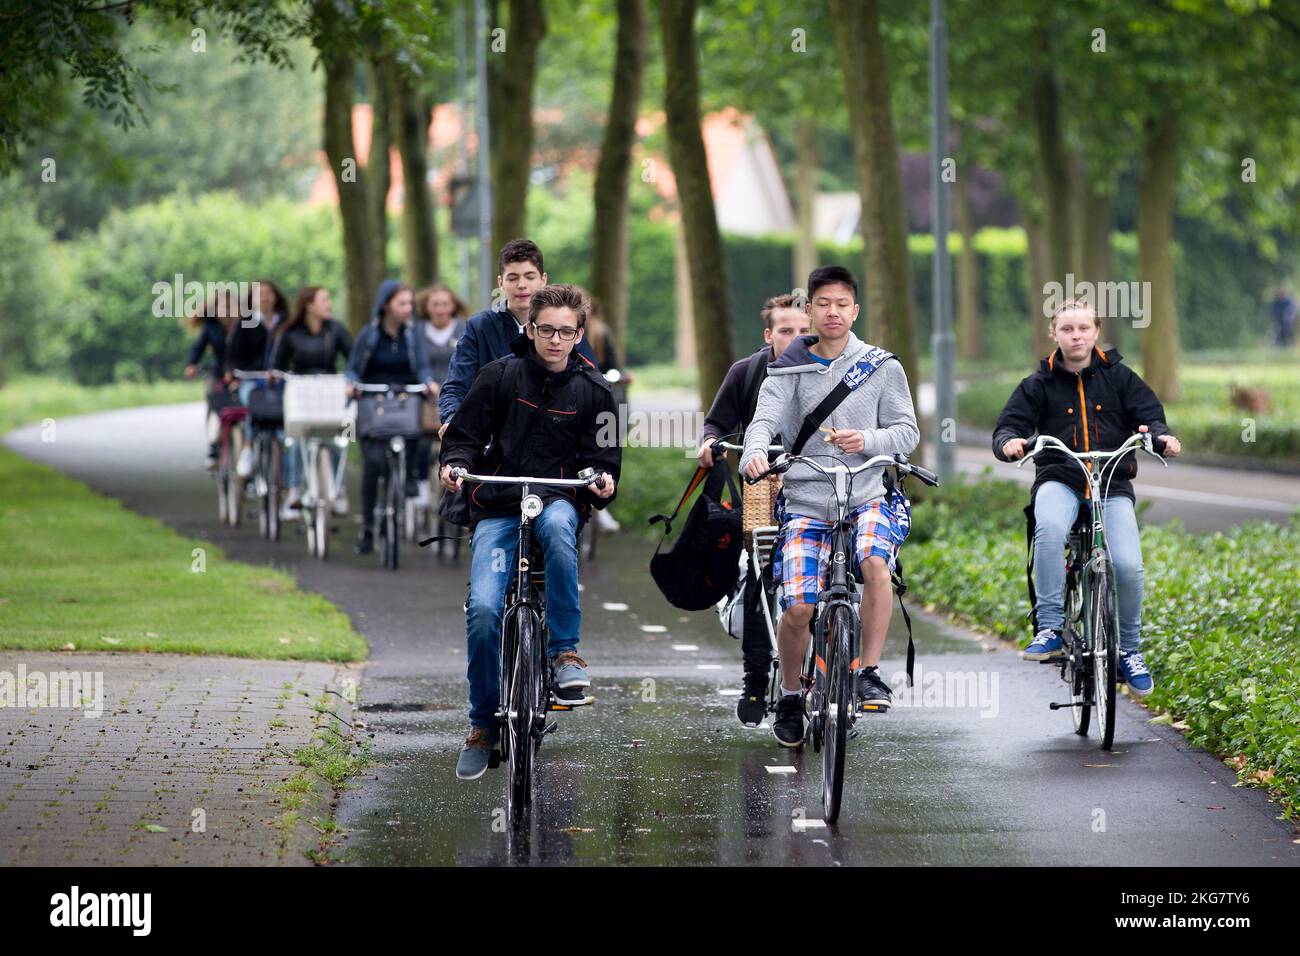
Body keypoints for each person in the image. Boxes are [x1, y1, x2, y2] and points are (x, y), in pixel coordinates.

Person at [439, 284, 620, 781]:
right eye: (546, 330)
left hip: (558, 499)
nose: (555, 340)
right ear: (530, 329)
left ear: (579, 334)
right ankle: (481, 725)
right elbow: (464, 439)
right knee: (482, 609)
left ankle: (565, 652)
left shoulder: (597, 390)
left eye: (566, 332)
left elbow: (605, 461)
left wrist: (603, 481)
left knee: (561, 532)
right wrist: (455, 465)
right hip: (497, 505)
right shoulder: (497, 378)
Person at [741, 266, 920, 748]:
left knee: (874, 562)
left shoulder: (883, 367)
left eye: (842, 304)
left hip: (866, 495)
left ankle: (870, 672)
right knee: (798, 606)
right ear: (810, 311)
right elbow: (763, 422)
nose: (833, 312)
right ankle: (792, 693)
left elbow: (907, 432)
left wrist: (868, 439)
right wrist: (756, 452)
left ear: (855, 310)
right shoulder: (788, 369)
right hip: (805, 498)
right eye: (823, 304)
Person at [991, 298, 1182, 696]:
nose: (1075, 336)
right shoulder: (1037, 384)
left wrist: (1160, 438)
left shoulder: (1121, 378)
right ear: (1054, 334)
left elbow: (1150, 418)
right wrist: (1010, 443)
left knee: (1128, 565)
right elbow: (1008, 426)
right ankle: (1049, 628)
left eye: (1083, 328)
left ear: (1096, 331)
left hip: (1112, 484)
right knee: (1049, 530)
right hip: (1059, 478)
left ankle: (1129, 651)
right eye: (1067, 329)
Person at [695, 293, 811, 726]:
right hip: (763, 486)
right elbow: (716, 423)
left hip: (822, 484)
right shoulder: (746, 373)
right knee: (762, 577)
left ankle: (837, 668)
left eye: (805, 331)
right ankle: (757, 679)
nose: (797, 338)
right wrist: (710, 443)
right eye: (786, 331)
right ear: (769, 335)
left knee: (838, 574)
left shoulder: (836, 369)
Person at [437, 238, 600, 434]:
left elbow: (593, 386)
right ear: (501, 282)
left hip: (553, 438)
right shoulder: (479, 327)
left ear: (543, 279)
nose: (522, 285)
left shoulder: (565, 326)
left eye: (529, 276)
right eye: (513, 278)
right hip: (491, 441)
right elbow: (456, 385)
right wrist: (452, 420)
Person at [346, 279, 437, 554]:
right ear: (386, 305)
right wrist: (351, 384)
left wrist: (428, 382)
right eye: (403, 303)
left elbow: (421, 367)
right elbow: (352, 368)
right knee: (373, 464)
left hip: (404, 400)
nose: (409, 308)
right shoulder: (369, 334)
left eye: (410, 303)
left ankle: (407, 480)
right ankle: (368, 527)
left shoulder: (412, 336)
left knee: (413, 437)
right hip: (373, 403)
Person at [269, 286, 353, 518]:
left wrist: (352, 380)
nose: (330, 305)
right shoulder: (290, 333)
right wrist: (275, 375)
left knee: (343, 438)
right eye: (325, 300)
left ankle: (340, 489)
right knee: (296, 440)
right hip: (302, 393)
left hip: (332, 392)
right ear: (310, 305)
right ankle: (295, 490)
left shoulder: (335, 330)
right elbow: (277, 364)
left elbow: (353, 357)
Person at [411, 283, 468, 510]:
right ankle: (420, 481)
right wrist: (425, 382)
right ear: (428, 307)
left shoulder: (464, 329)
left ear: (452, 306)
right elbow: (415, 363)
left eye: (444, 304)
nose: (440, 309)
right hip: (427, 396)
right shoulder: (417, 332)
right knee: (419, 440)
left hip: (458, 394)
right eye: (435, 304)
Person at [183, 290, 239, 470]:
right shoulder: (211, 326)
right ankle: (213, 446)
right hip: (218, 372)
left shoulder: (245, 325)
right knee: (215, 403)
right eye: (224, 307)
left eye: (231, 306)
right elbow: (197, 347)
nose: (228, 310)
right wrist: (192, 364)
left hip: (240, 372)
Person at [1270, 283, 1297, 349]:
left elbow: (1291, 310)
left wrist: (1289, 317)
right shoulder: (1277, 301)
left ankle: (1288, 345)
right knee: (1278, 333)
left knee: (1287, 333)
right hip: (1278, 320)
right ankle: (1279, 346)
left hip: (1287, 321)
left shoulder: (1288, 301)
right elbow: (1274, 310)